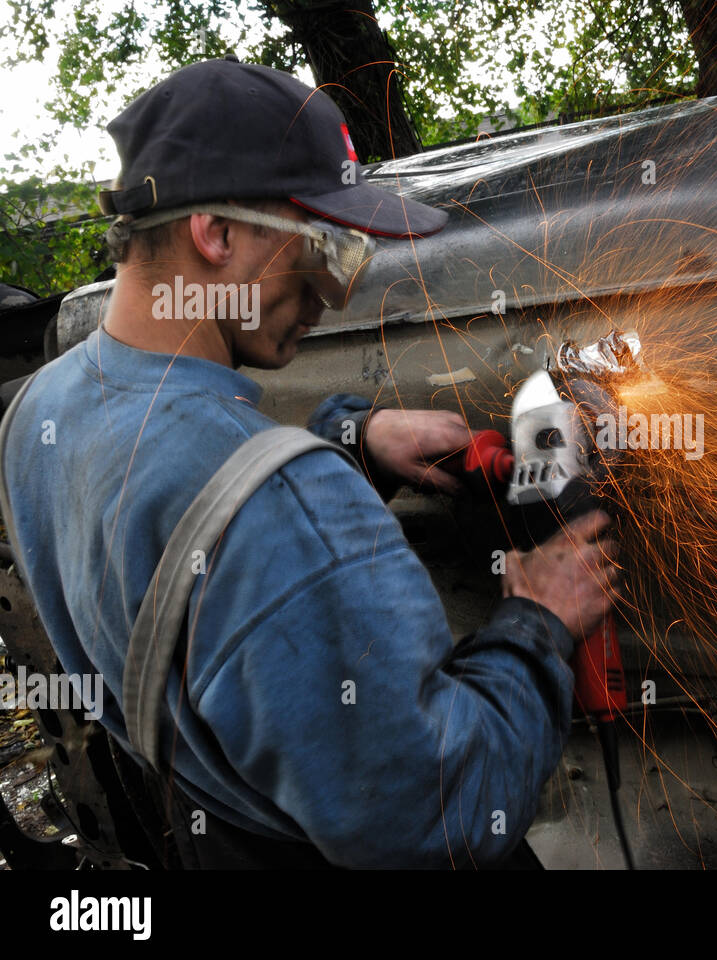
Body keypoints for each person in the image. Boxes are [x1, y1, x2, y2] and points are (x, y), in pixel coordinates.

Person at [0, 57, 618, 868]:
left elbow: (191, 538)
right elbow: (444, 812)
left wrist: (351, 444)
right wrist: (537, 623)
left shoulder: (40, 411)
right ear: (215, 235)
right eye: (324, 249)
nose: (336, 295)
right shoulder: (280, 502)